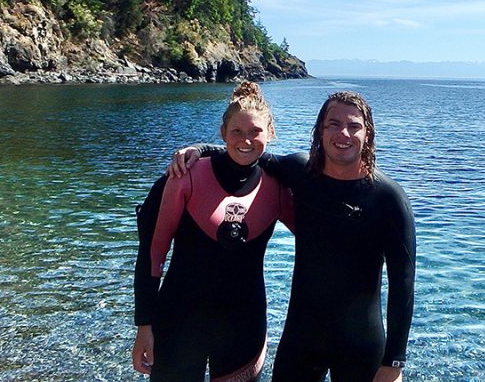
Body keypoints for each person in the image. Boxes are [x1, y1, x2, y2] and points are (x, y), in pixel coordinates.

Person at [169, 90, 416, 382]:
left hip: (360, 343)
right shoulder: (300, 172)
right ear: (320, 131)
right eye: (333, 124)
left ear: (368, 133)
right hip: (302, 337)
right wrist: (199, 149)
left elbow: (402, 284)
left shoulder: (388, 198)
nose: (343, 133)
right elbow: (247, 152)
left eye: (354, 126)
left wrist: (394, 362)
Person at [132, 81, 294, 381]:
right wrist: (144, 325)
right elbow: (153, 253)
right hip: (180, 322)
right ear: (223, 134)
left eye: (255, 132)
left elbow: (321, 241)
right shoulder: (187, 175)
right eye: (237, 132)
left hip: (244, 325)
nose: (246, 140)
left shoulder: (278, 188)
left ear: (270, 132)